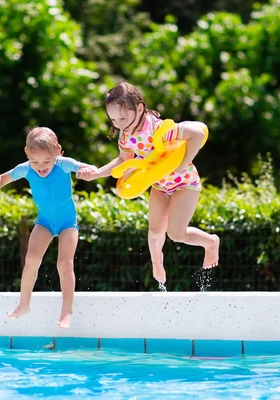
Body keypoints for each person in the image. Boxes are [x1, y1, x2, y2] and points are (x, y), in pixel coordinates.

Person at [78, 82, 219, 288]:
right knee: (154, 233)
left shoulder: (159, 130)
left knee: (176, 234)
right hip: (160, 185)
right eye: (113, 119)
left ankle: (211, 242)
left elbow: (197, 134)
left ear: (140, 108)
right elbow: (123, 160)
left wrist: (182, 164)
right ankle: (157, 264)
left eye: (123, 118)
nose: (118, 124)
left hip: (184, 183)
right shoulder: (125, 135)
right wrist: (97, 173)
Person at [0, 127, 98, 328]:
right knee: (31, 259)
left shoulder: (64, 165)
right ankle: (24, 304)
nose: (40, 167)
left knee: (64, 264)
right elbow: (2, 178)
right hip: (45, 222)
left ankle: (66, 312)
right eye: (35, 161)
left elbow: (87, 167)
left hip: (68, 223)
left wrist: (88, 170)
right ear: (27, 154)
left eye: (47, 161)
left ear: (57, 151)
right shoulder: (26, 169)